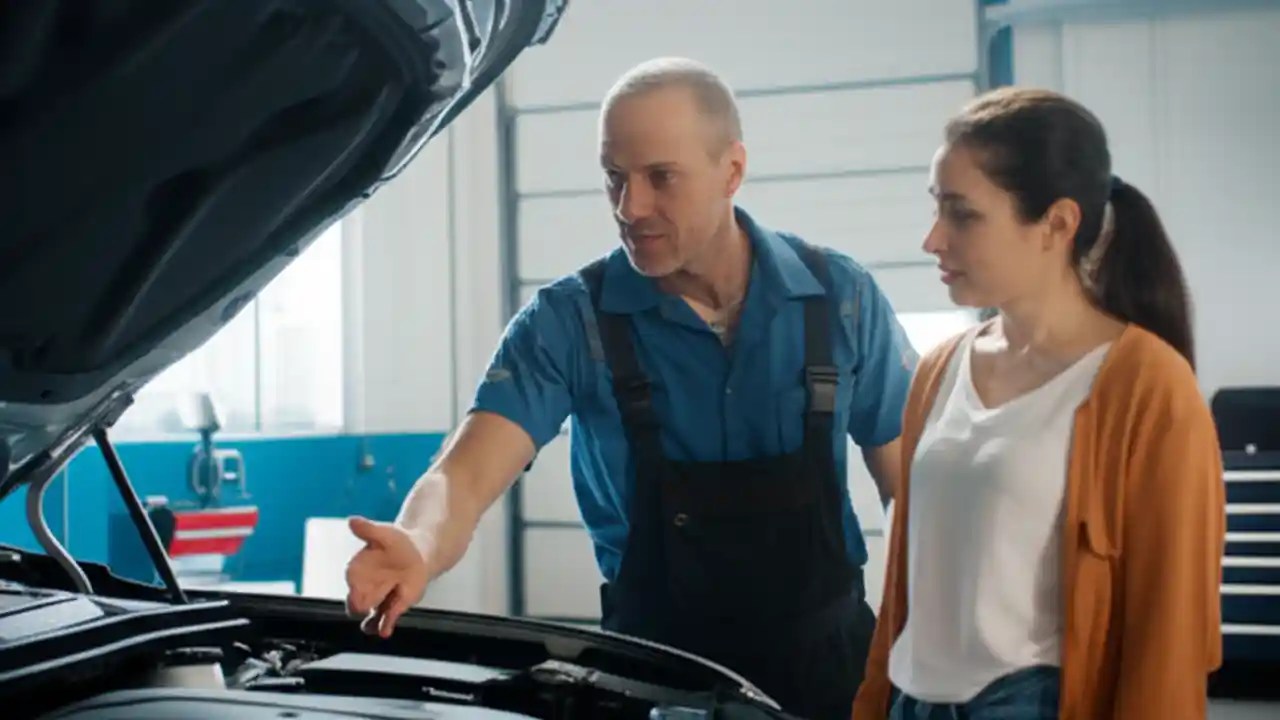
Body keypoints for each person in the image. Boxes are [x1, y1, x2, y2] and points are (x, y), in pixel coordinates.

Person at [343, 56, 917, 719]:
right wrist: (418, 541)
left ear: (732, 170)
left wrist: (928, 620)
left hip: (833, 680)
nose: (629, 207)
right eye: (614, 178)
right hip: (653, 682)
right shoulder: (569, 322)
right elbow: (464, 477)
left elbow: (907, 487)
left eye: (660, 178)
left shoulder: (840, 300)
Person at [851, 87, 1226, 720]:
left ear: (1056, 223)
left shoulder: (1146, 387)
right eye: (935, 208)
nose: (932, 238)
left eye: (962, 214)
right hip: (912, 700)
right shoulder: (940, 368)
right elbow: (904, 593)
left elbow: (1170, 630)